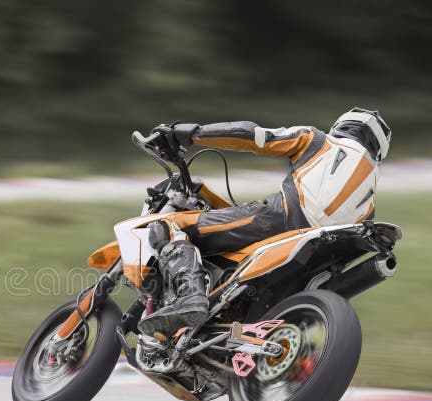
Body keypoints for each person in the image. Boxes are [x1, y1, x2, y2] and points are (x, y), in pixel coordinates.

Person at [137, 107, 391, 337]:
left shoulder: (319, 141)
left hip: (279, 220)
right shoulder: (370, 203)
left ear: (343, 125)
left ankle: (190, 296)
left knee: (171, 226)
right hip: (318, 262)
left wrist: (188, 134)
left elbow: (252, 135)